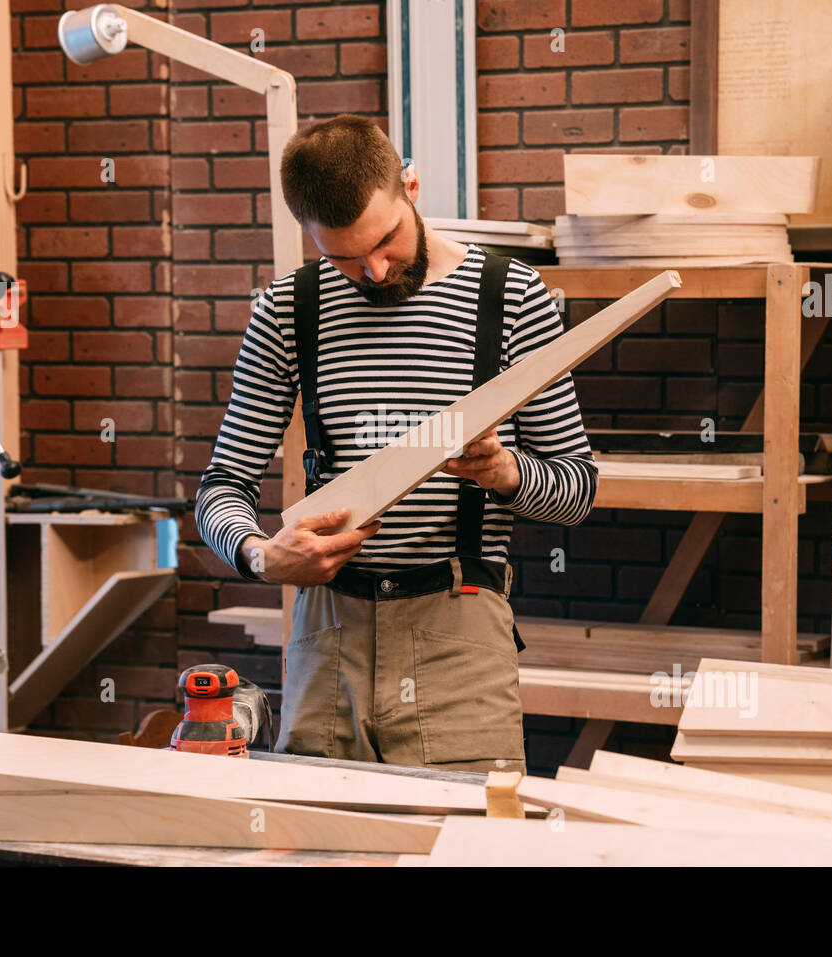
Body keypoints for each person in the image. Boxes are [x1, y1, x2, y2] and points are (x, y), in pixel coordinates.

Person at [194, 114, 598, 774]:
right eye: (344, 257)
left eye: (386, 241)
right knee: (314, 845)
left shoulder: (514, 298)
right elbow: (222, 487)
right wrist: (263, 557)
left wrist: (504, 472)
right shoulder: (289, 310)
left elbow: (577, 489)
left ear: (410, 185)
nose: (375, 271)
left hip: (458, 628)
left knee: (468, 844)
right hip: (327, 634)